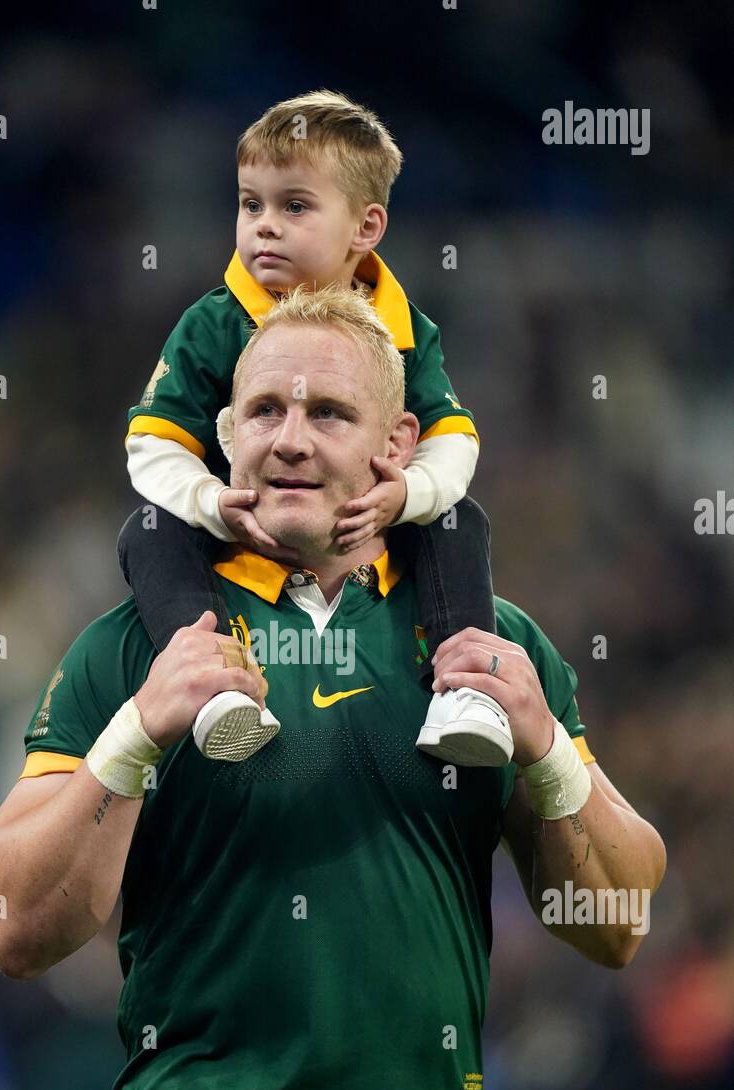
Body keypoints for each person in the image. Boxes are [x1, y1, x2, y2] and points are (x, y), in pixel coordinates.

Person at [0, 286, 666, 1090]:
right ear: (222, 433)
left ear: (397, 446)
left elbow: (619, 918)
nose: (289, 439)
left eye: (327, 414)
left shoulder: (487, 647)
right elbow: (9, 920)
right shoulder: (136, 646)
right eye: (264, 412)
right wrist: (133, 734)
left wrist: (546, 747)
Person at [118, 89, 512, 767]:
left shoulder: (405, 328)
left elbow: (452, 438)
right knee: (148, 531)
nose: (263, 227)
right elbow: (152, 443)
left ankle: (466, 687)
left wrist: (409, 495)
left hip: (359, 526)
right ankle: (214, 686)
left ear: (366, 227)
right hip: (238, 531)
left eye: (293, 206)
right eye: (250, 204)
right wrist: (209, 502)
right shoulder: (212, 323)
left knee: (458, 519)